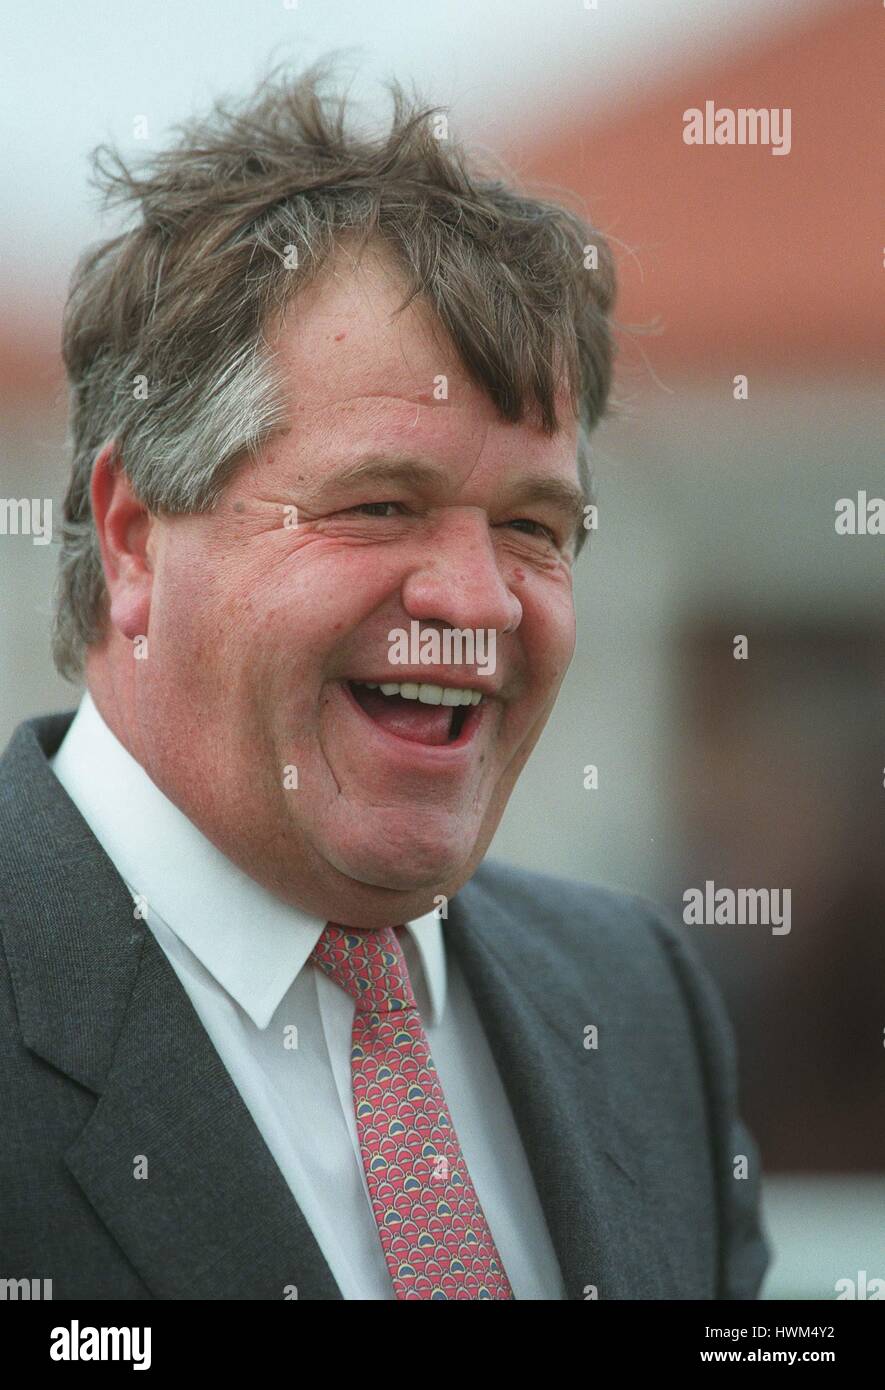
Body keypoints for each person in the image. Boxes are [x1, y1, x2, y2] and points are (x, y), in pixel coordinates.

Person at [0, 60, 769, 1300]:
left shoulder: (637, 1005)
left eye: (533, 526)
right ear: (137, 537)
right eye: (378, 504)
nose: (476, 601)